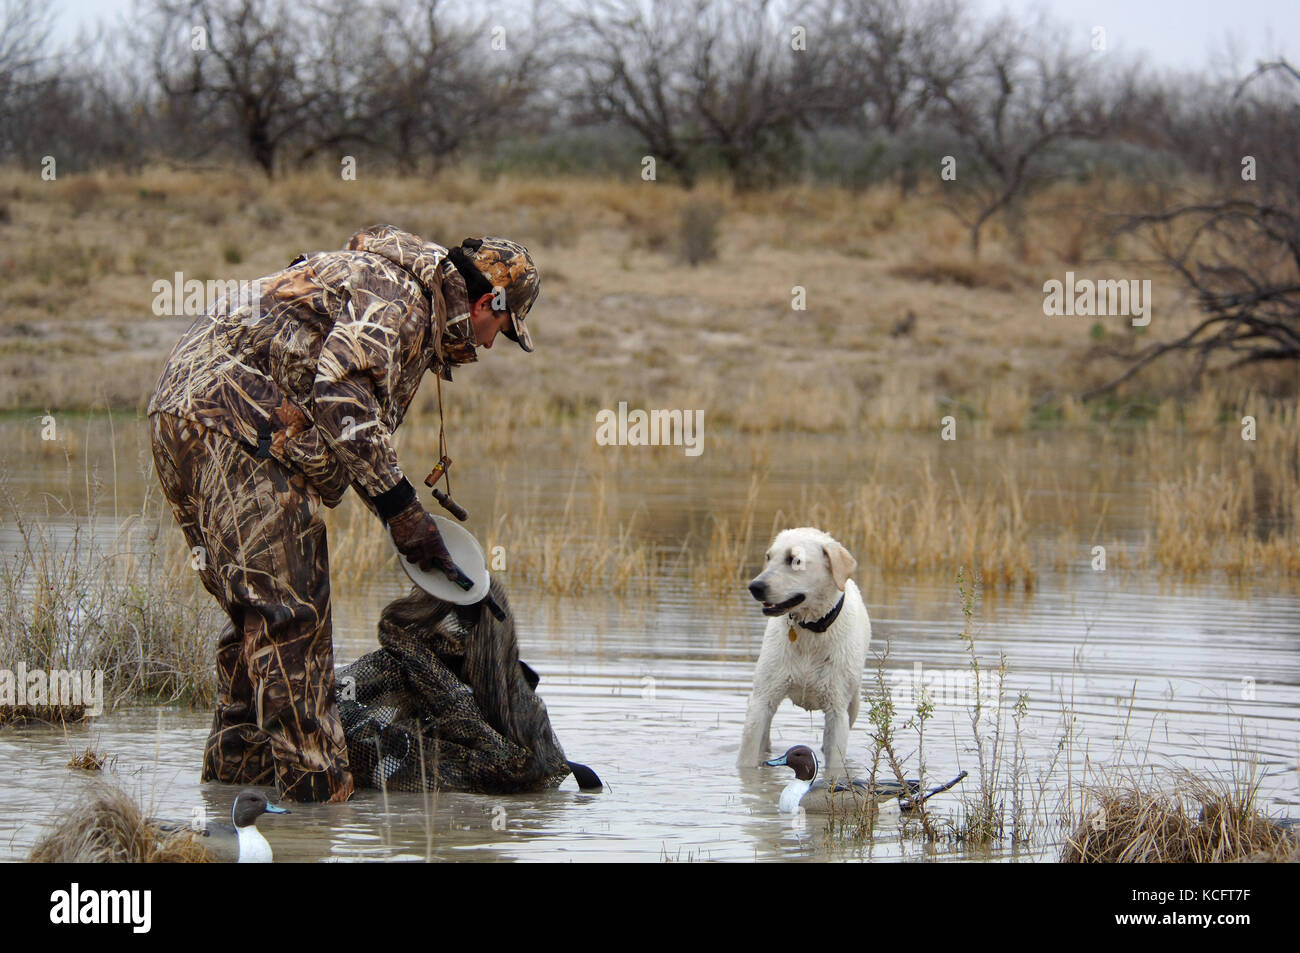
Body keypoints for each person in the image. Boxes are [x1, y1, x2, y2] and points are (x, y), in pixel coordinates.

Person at [147, 224, 540, 802]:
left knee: (257, 618)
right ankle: (319, 806)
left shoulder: (396, 292)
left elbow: (340, 409)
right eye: (499, 329)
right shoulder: (401, 299)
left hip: (185, 417)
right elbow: (340, 395)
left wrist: (399, 511)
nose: (487, 345)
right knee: (292, 621)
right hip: (236, 427)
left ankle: (235, 790)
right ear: (486, 302)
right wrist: (403, 510)